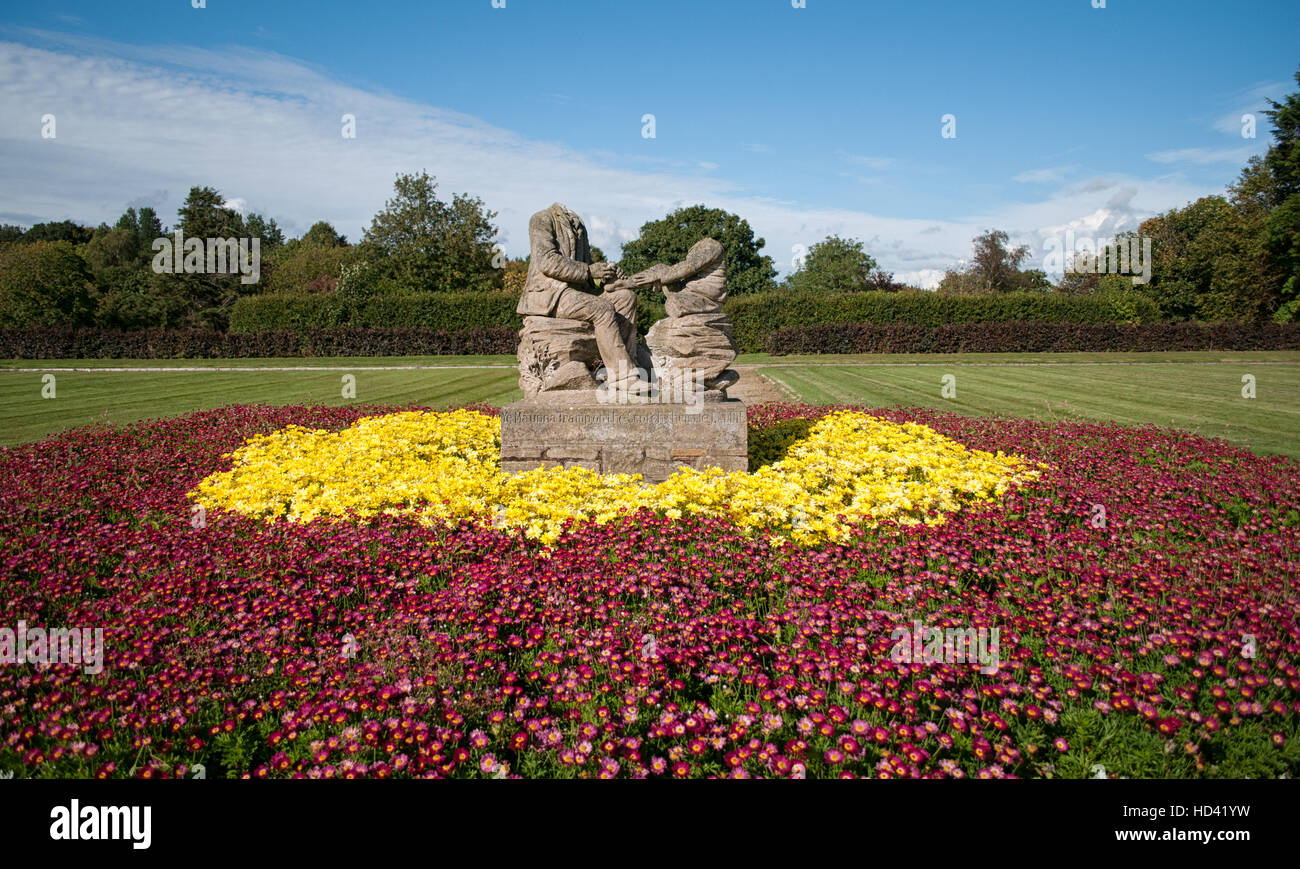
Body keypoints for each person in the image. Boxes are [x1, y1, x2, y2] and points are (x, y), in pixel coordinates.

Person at [517, 203, 648, 392]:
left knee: (625, 297)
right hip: (550, 294)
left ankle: (630, 366)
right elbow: (547, 261)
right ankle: (622, 377)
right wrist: (588, 270)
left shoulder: (579, 227)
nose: (575, 223)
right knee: (601, 308)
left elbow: (588, 269)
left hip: (577, 293)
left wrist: (606, 276)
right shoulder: (541, 219)